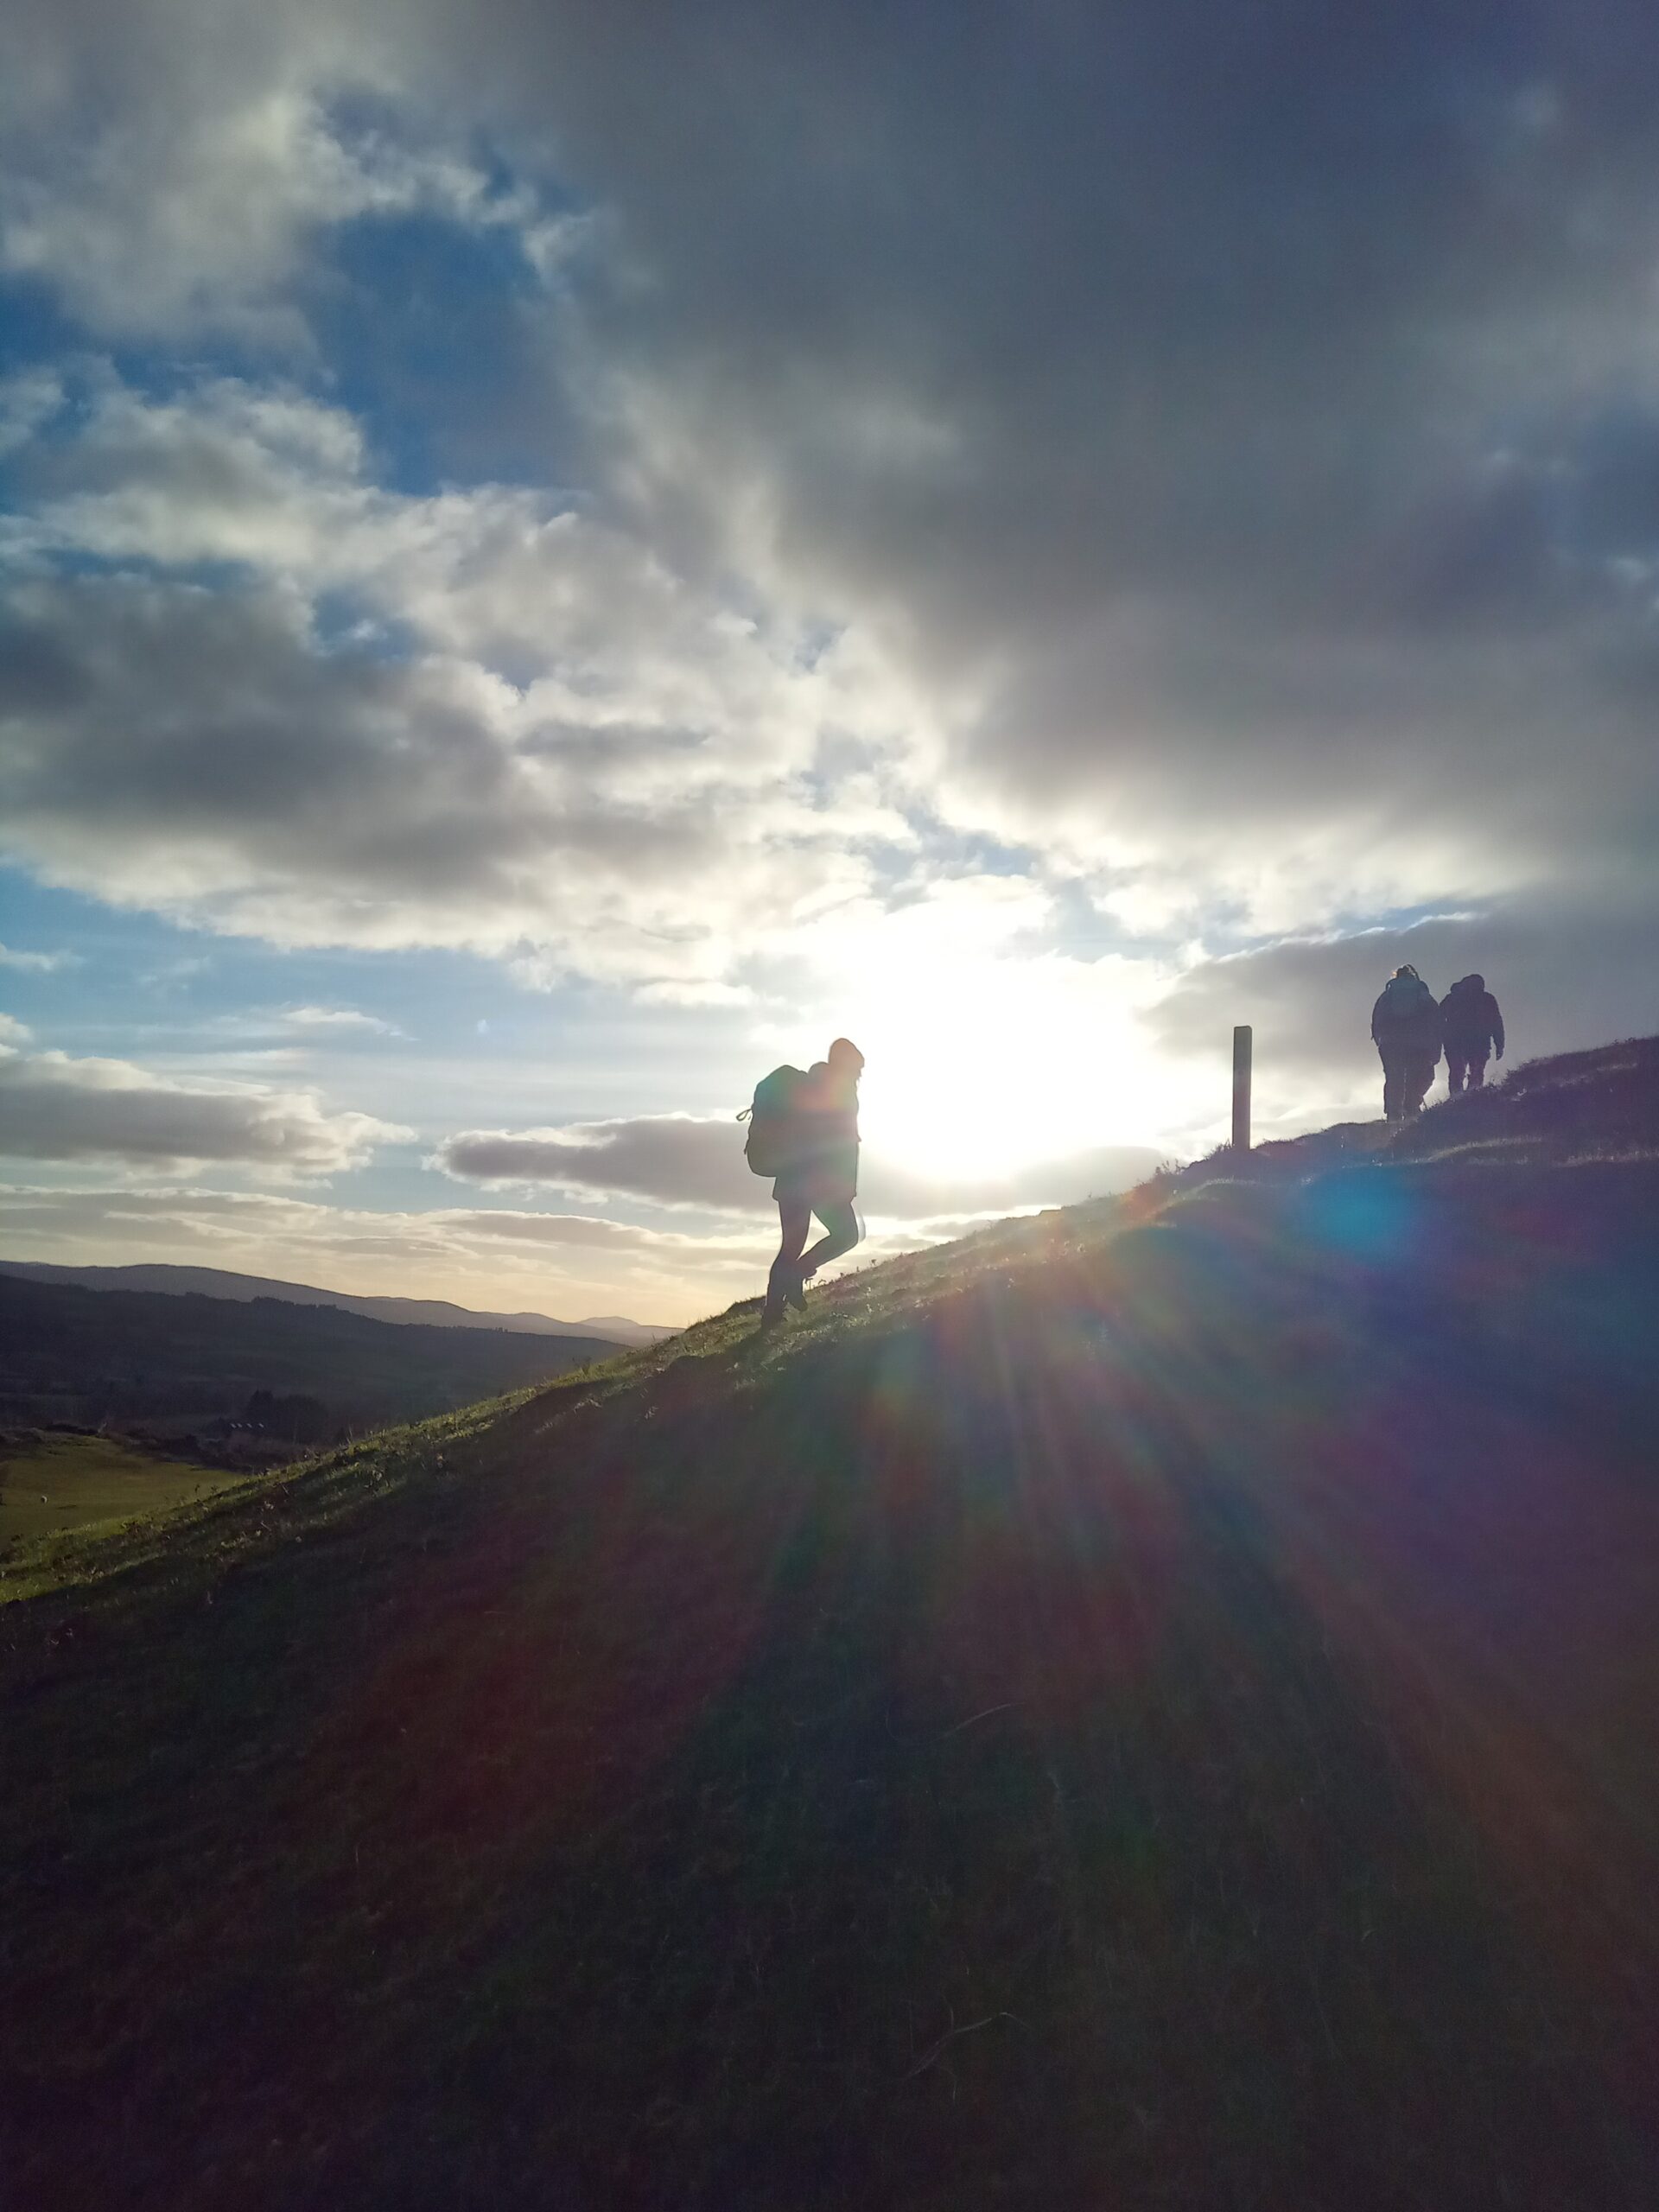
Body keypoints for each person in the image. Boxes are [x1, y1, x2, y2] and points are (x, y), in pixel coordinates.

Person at [762, 1037, 864, 1325]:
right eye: (858, 1068)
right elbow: (843, 1143)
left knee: (790, 1246)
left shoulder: (810, 1085)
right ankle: (796, 1275)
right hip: (820, 1181)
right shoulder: (840, 1091)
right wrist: (846, 1184)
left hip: (791, 1178)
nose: (860, 1075)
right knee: (847, 1235)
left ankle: (772, 1314)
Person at [1370, 963, 1441, 1121]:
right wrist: (1435, 1048)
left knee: (1393, 1078)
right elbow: (1436, 1021)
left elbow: (1377, 1020)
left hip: (1391, 1043)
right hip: (1418, 1043)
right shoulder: (1423, 994)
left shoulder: (1387, 995)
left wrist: (1380, 1041)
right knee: (1418, 1076)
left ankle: (1393, 1113)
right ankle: (1412, 1107)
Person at [1440, 973, 1504, 1095]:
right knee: (1476, 1072)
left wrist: (1442, 1039)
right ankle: (1472, 1098)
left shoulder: (1453, 998)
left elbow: (1438, 1019)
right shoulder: (1487, 999)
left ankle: (1456, 1099)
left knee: (1457, 1073)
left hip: (1455, 1043)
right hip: (1480, 1043)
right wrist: (1499, 1044)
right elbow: (1496, 1021)